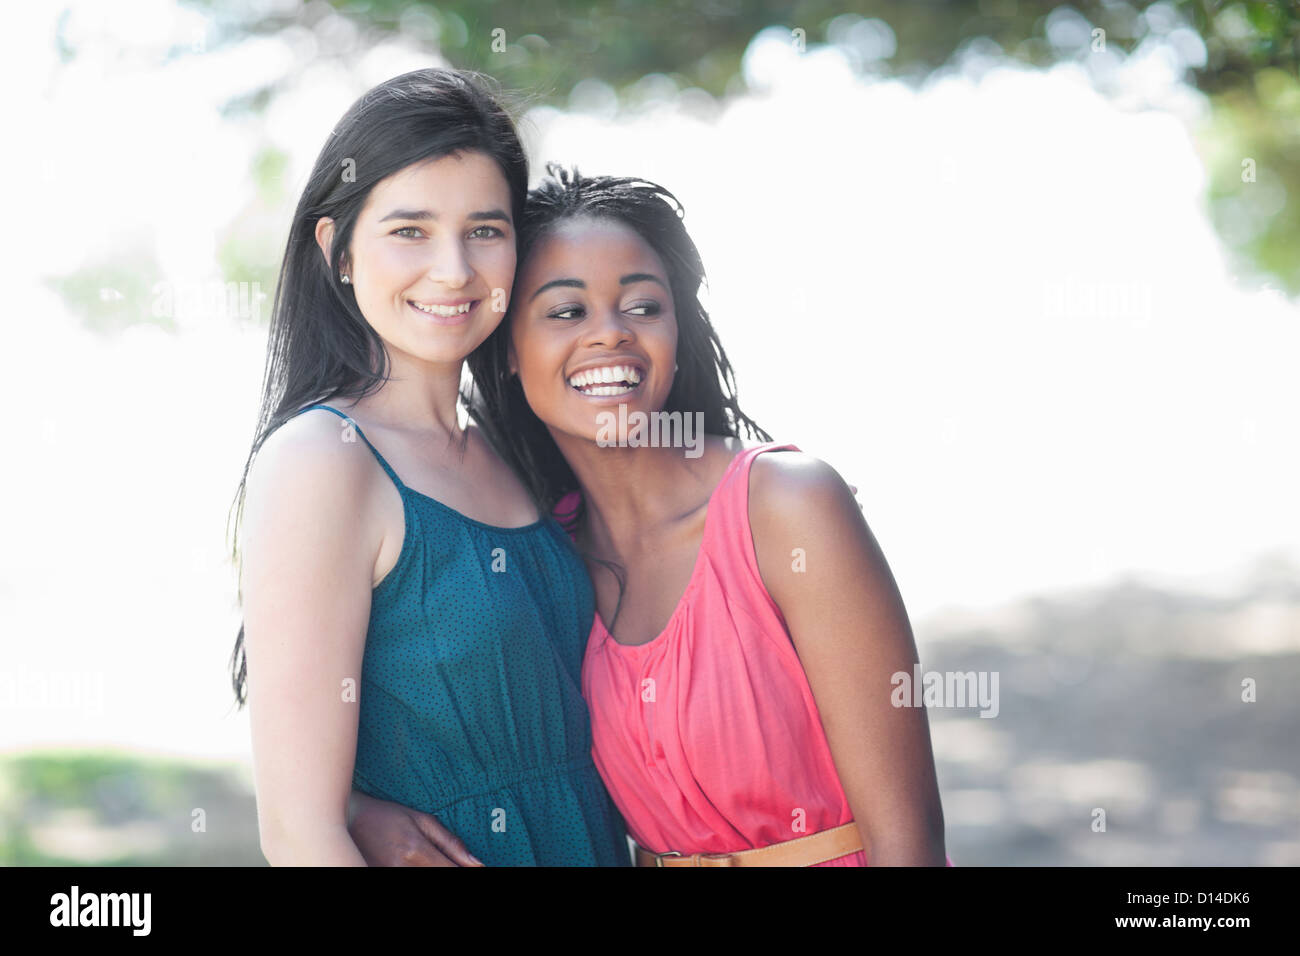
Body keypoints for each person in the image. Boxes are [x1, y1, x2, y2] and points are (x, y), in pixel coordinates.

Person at [354, 165, 952, 866]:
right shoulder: (552, 560)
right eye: (566, 312)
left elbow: (908, 842)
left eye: (642, 305)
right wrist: (356, 810)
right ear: (509, 351)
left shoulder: (790, 507)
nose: (610, 335)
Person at [228, 72, 629, 866]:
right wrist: (348, 806)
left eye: (485, 229)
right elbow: (302, 837)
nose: (454, 271)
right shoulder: (323, 463)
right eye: (410, 230)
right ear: (336, 252)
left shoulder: (514, 444)